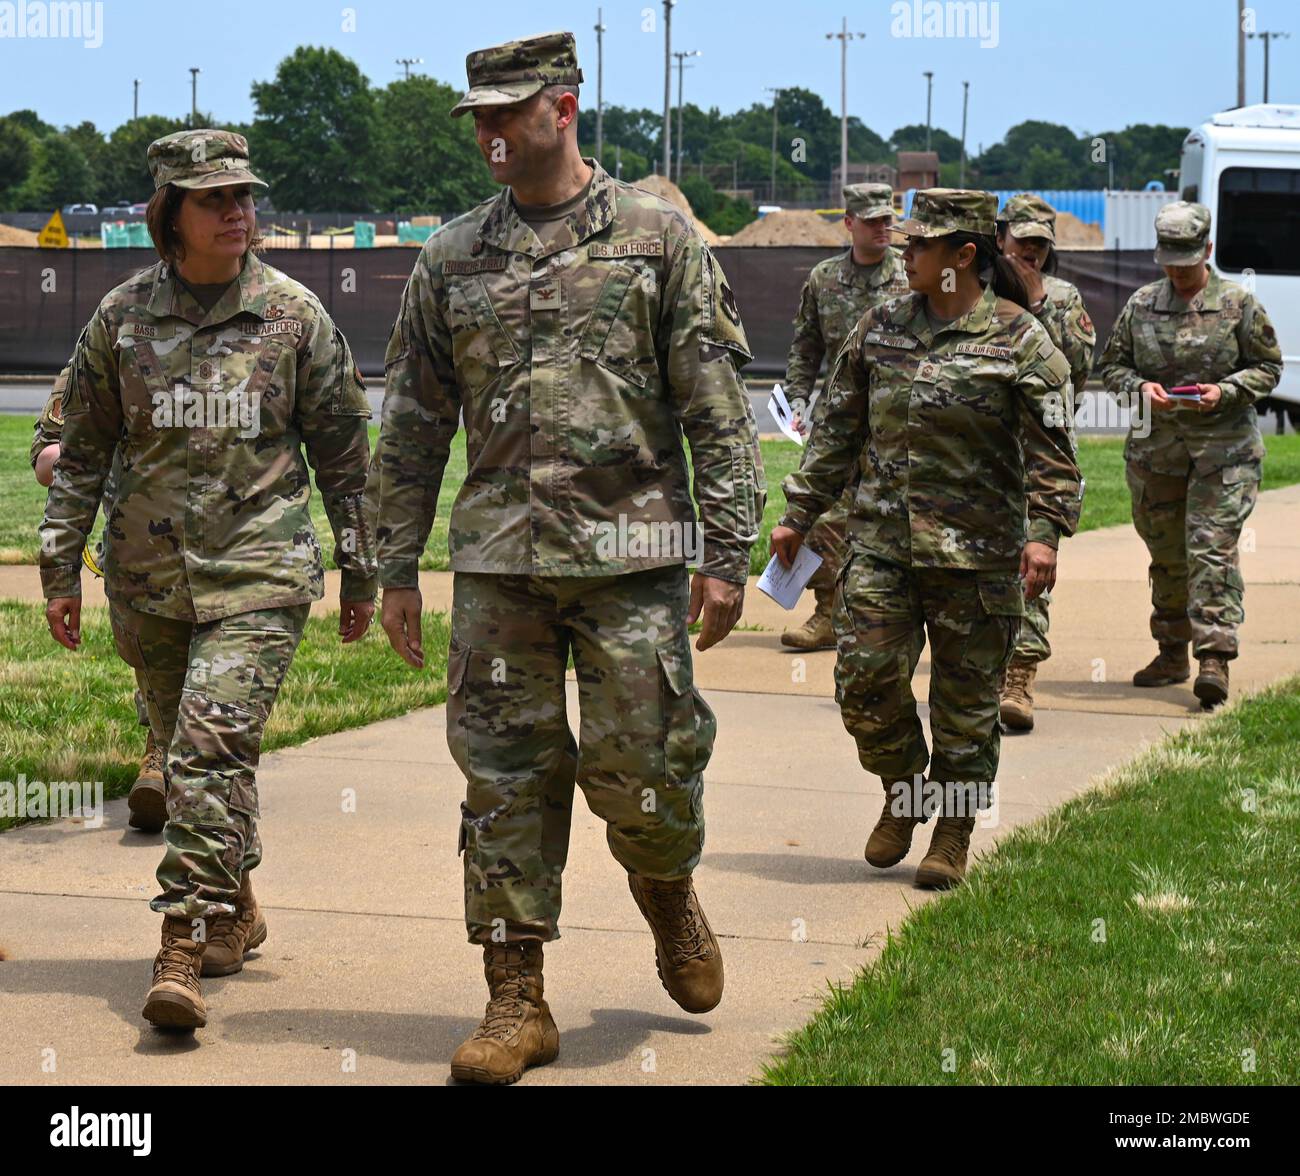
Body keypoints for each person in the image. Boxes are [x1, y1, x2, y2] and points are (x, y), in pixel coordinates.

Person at [371, 31, 765, 1085]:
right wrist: (392, 564)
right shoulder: (452, 255)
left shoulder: (656, 238)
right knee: (504, 778)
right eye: (481, 119)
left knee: (642, 777)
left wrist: (728, 554)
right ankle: (516, 1000)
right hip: (501, 563)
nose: (492, 133)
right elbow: (411, 420)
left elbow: (716, 410)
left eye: (511, 113)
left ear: (567, 107)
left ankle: (667, 891)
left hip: (634, 563)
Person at [39, 129, 377, 1031]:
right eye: (214, 200)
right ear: (169, 216)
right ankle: (238, 907)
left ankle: (181, 941)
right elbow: (81, 456)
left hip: (260, 578)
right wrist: (60, 565)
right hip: (149, 583)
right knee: (204, 761)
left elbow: (346, 457)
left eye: (244, 197)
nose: (238, 213)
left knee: (204, 752)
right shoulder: (120, 319)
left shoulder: (296, 317)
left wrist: (362, 572)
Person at [771, 189, 1081, 889]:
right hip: (882, 545)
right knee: (864, 681)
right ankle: (903, 791)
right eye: (905, 242)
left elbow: (1055, 452)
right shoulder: (880, 327)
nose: (904, 254)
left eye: (919, 245)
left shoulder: (1020, 338)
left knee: (966, 707)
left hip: (978, 558)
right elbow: (838, 434)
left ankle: (953, 828)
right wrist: (798, 513)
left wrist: (1045, 534)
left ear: (963, 256)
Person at [1099, 201, 1282, 707]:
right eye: (1169, 261)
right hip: (1157, 457)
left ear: (1208, 250)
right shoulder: (1140, 305)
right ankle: (1171, 650)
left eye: (1186, 260)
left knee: (1211, 550)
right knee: (1168, 558)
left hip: (1224, 455)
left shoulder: (1239, 304)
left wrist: (1225, 392)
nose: (1177, 271)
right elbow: (1112, 367)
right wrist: (1140, 388)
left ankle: (1215, 659)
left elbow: (1268, 367)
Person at [32, 368, 166, 831]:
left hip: (223, 548)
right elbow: (45, 461)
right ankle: (163, 756)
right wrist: (90, 446)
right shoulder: (91, 362)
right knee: (152, 659)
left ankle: (190, 770)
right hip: (137, 552)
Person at [779, 182, 910, 651]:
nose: (883, 228)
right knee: (817, 515)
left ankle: (894, 619)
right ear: (849, 222)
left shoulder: (911, 277)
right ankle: (826, 613)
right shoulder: (824, 278)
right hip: (837, 423)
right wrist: (797, 401)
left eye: (887, 219)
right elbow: (805, 348)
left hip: (896, 424)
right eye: (872, 220)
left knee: (893, 521)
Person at [994, 194, 1097, 730]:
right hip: (981, 452)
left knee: (1032, 562)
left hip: (1036, 451)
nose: (1029, 251)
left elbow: (1074, 374)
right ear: (1000, 238)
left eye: (1039, 245)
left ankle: (1020, 678)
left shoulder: (1062, 297)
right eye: (1021, 241)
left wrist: (1035, 309)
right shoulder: (976, 290)